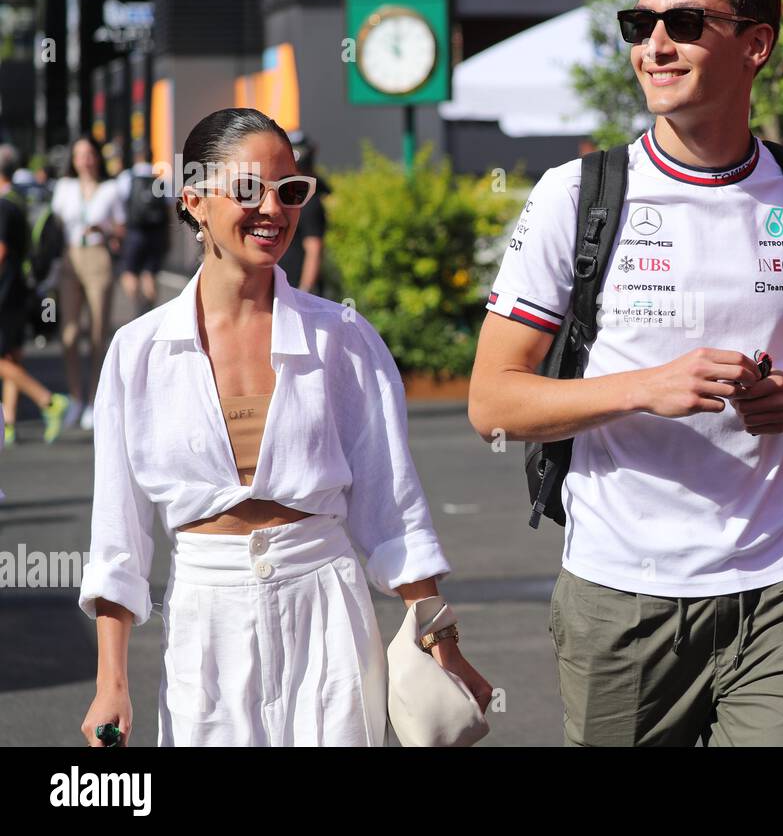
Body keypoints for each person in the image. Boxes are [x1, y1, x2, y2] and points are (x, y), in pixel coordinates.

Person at [469, 0, 783, 747]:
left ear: (754, 45)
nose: (655, 45)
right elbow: (492, 403)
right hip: (621, 602)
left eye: (685, 23)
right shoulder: (575, 197)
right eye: (639, 25)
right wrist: (644, 388)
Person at [77, 107, 492, 746]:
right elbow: (118, 536)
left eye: (290, 191)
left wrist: (444, 645)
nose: (272, 208)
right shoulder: (139, 352)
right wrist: (112, 684)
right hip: (204, 619)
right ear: (194, 200)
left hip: (327, 608)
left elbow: (394, 513)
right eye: (246, 189)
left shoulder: (345, 340)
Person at [51, 136, 125, 431]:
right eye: (79, 154)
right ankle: (75, 396)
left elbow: (121, 229)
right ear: (73, 158)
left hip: (97, 256)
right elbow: (53, 225)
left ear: (97, 158)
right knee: (68, 334)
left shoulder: (111, 188)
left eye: (89, 154)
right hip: (70, 258)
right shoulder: (64, 187)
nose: (85, 159)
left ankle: (95, 399)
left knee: (97, 334)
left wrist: (105, 228)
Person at [0, 144, 70, 446]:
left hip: (5, 289)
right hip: (19, 289)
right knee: (11, 356)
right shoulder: (19, 199)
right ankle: (10, 423)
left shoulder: (3, 205)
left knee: (5, 359)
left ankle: (48, 401)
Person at [116, 144, 171, 318]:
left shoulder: (127, 177)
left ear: (136, 157)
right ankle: (148, 313)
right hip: (156, 233)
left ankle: (138, 306)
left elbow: (119, 206)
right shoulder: (162, 180)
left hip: (134, 232)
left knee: (129, 272)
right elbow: (169, 208)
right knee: (150, 274)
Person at [277, 131, 327, 295]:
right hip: (280, 288)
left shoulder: (309, 202)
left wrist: (304, 292)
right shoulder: (282, 197)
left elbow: (314, 249)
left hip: (295, 291)